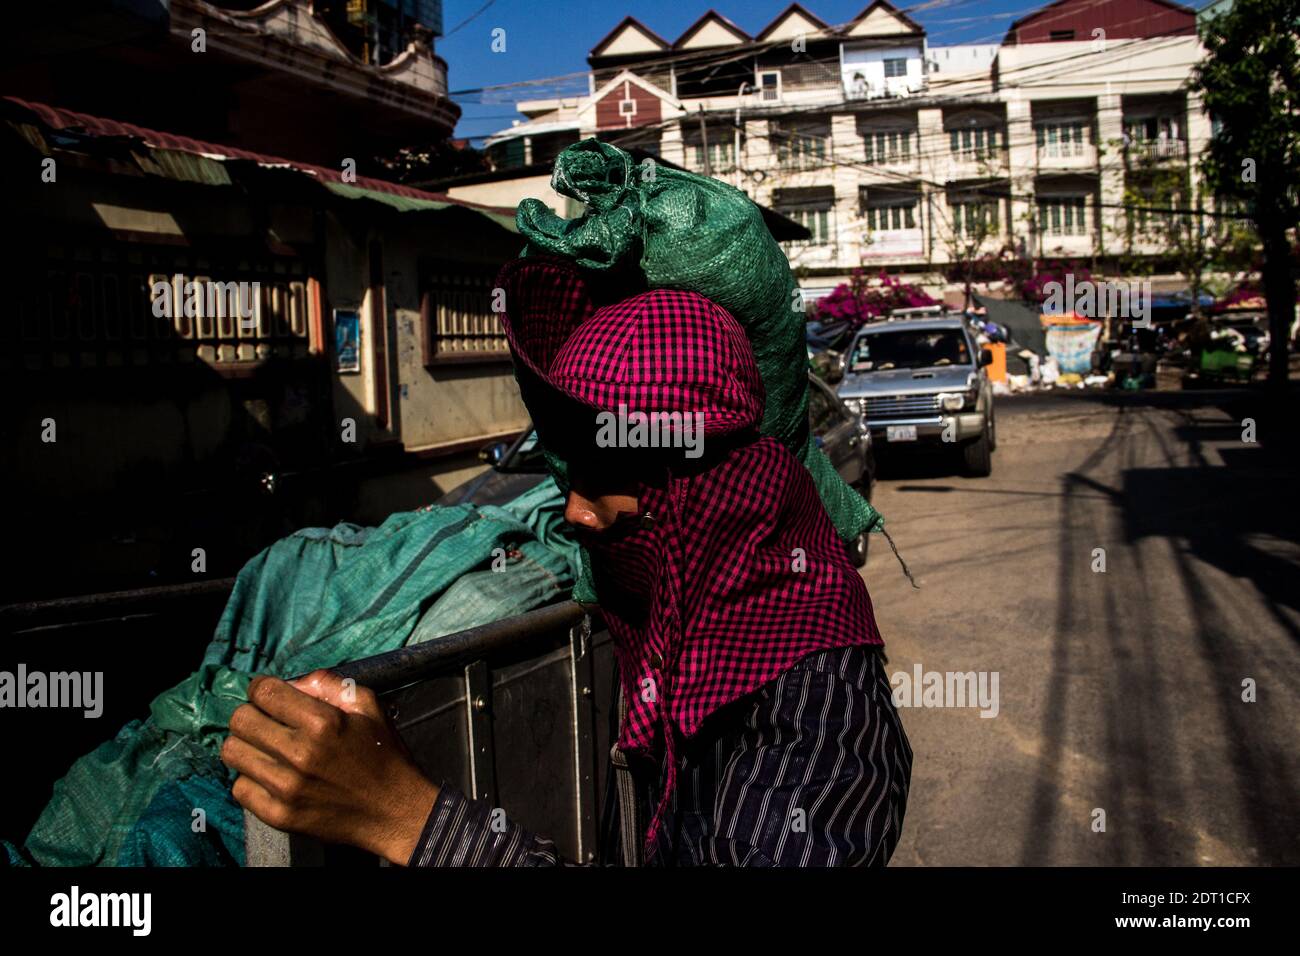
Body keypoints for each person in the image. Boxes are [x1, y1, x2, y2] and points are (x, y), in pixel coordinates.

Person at [223, 256, 912, 866]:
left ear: (699, 487)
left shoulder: (822, 720)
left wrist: (407, 818)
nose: (576, 512)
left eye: (609, 475)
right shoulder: (695, 627)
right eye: (571, 474)